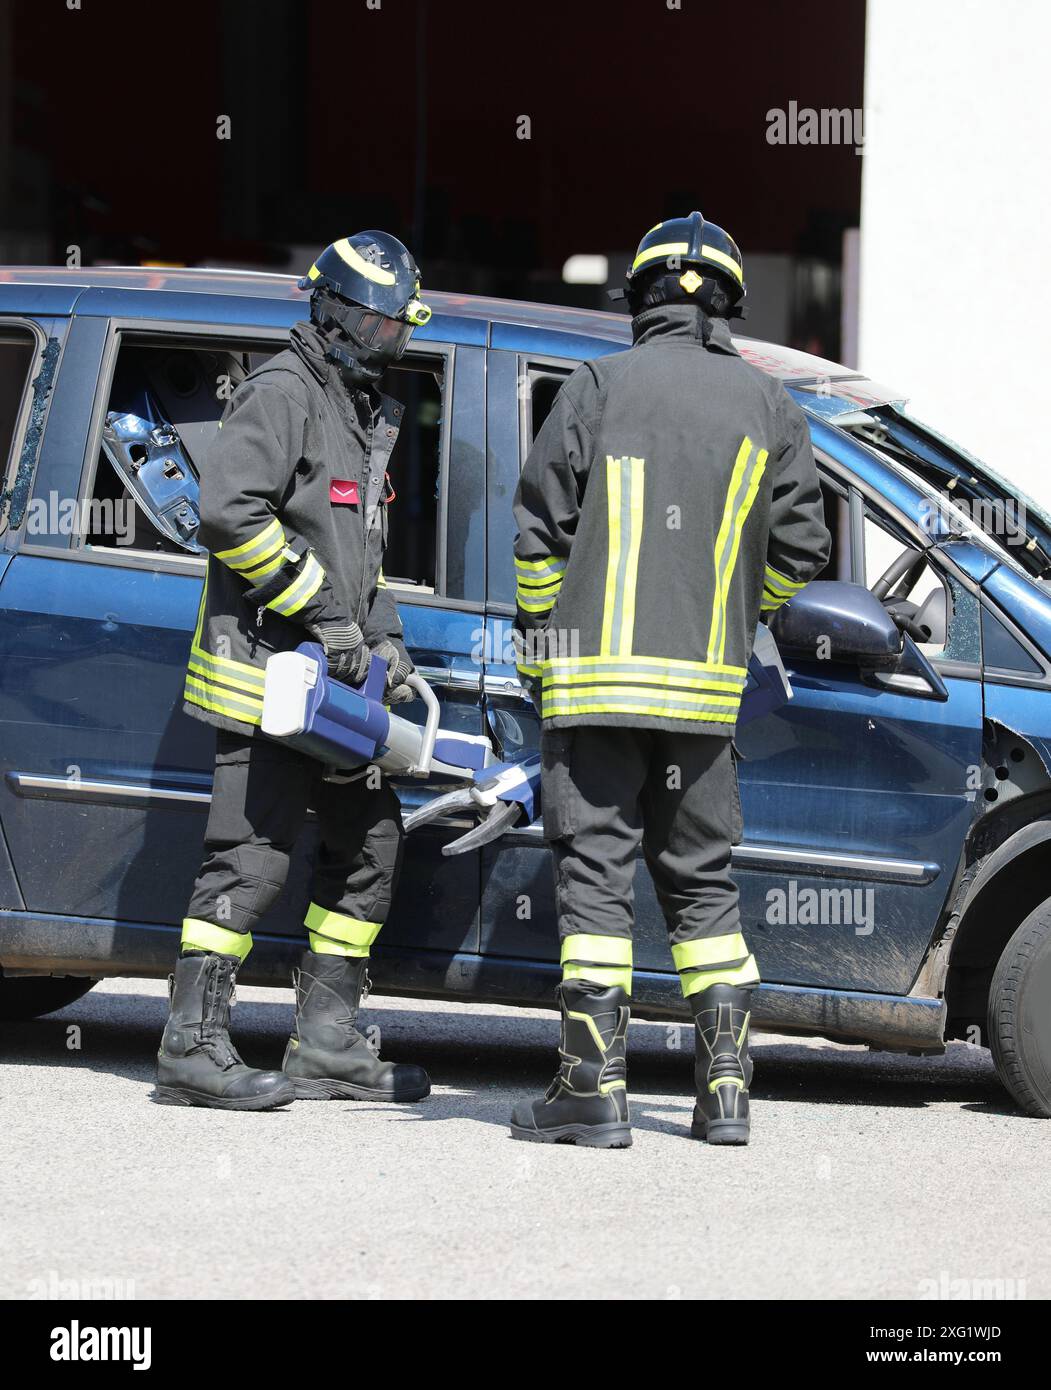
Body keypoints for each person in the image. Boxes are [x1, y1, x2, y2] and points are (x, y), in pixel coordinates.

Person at [509, 211, 831, 1147]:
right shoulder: (768, 404)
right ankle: (725, 1093)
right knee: (702, 884)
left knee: (597, 880)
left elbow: (538, 535)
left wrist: (544, 638)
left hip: (593, 692)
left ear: (640, 297)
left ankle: (592, 1094)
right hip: (702, 698)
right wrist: (737, 612)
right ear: (726, 301)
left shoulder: (598, 385)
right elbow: (802, 546)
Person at [156, 233, 433, 1110]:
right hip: (265, 677)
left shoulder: (354, 410)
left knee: (369, 847)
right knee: (250, 861)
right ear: (337, 314)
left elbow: (364, 555)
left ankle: (326, 1043)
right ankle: (190, 1048)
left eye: (398, 325)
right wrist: (323, 615)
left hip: (336, 689)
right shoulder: (283, 394)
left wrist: (381, 640)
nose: (391, 339)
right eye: (380, 323)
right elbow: (229, 516)